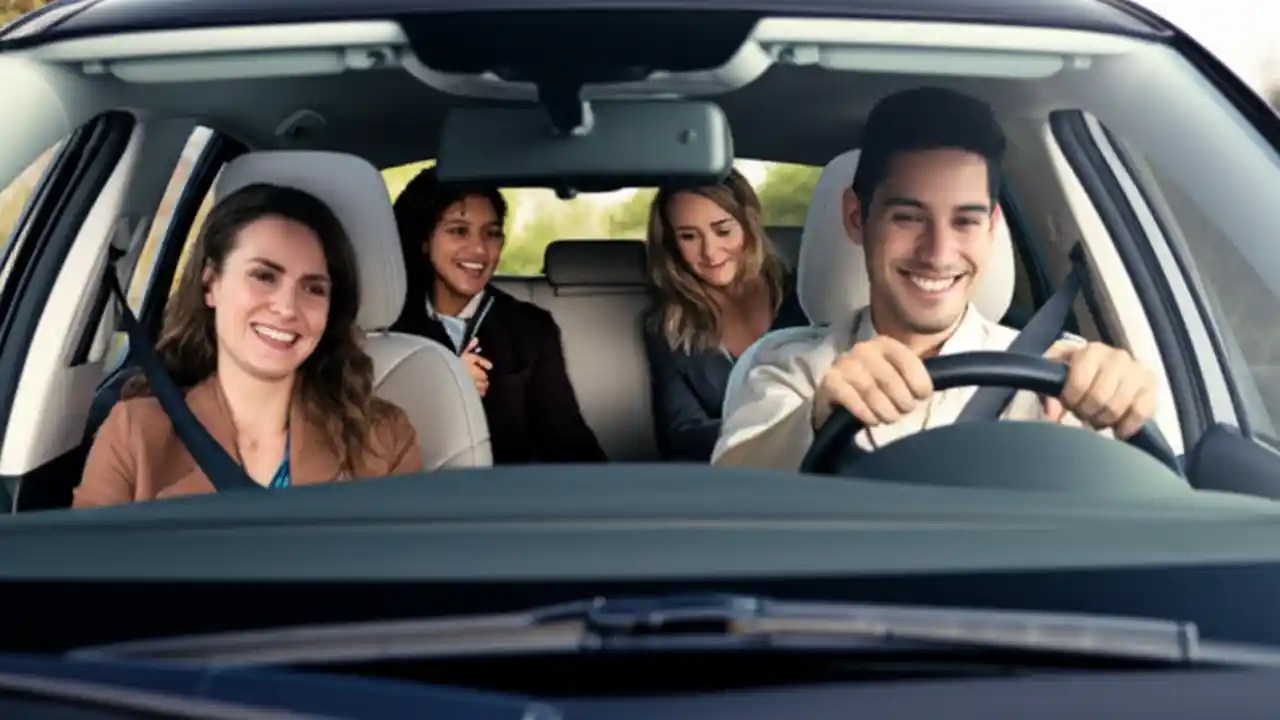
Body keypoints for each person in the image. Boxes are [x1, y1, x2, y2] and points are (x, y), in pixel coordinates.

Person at [712, 86, 1158, 470]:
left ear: (990, 228)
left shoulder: (1056, 373)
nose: (938, 254)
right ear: (856, 216)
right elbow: (729, 496)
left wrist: (1120, 402)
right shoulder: (789, 367)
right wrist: (814, 420)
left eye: (965, 222)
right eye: (908, 218)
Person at [76, 183, 424, 506]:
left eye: (313, 288)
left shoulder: (383, 438)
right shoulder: (135, 432)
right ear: (210, 284)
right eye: (264, 276)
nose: (287, 308)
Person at [390, 166, 607, 464]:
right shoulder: (389, 324)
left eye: (491, 234)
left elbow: (568, 443)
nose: (480, 249)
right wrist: (445, 388)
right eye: (459, 231)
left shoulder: (530, 328)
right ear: (425, 239)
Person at [642, 168, 808, 461]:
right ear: (671, 243)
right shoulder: (669, 326)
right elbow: (682, 436)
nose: (710, 251)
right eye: (688, 236)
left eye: (723, 231)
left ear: (749, 223)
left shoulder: (807, 295)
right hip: (734, 474)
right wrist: (780, 429)